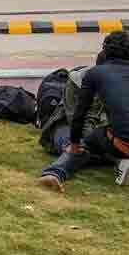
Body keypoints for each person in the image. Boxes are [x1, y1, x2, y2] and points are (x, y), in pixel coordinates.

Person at [64, 31, 129, 187]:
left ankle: (124, 161)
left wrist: (74, 145)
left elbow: (80, 113)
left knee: (89, 139)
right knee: (125, 130)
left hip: (120, 144)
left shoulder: (95, 72)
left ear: (105, 50)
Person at [36, 63, 107, 191]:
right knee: (77, 144)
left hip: (98, 134)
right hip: (69, 127)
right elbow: (77, 121)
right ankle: (53, 174)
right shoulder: (77, 79)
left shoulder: (123, 83)